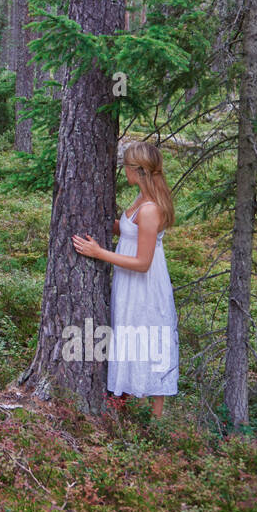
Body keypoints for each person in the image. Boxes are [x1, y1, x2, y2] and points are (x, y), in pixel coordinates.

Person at [71, 140, 179, 418]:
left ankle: (155, 424)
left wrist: (99, 253)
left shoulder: (151, 208)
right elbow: (131, 232)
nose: (123, 170)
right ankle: (133, 413)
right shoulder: (140, 200)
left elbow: (143, 263)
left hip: (144, 287)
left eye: (126, 165)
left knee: (148, 341)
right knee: (132, 340)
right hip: (129, 286)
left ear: (137, 170)